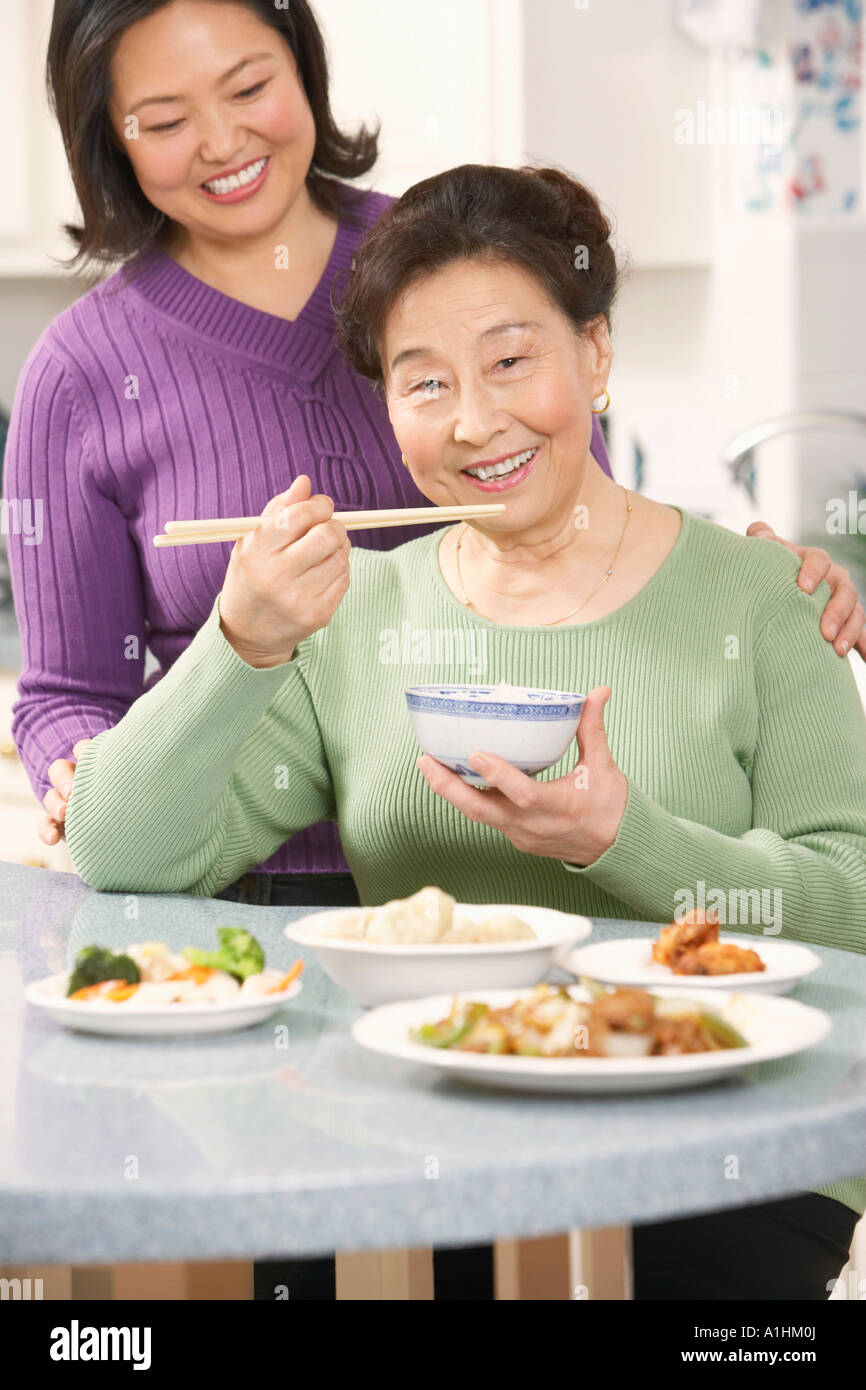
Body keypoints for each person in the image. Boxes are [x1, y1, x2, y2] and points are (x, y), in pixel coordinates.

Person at [62, 162, 866, 1299]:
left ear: (593, 354)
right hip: (423, 1137)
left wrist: (618, 836)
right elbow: (120, 846)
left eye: (509, 361)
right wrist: (238, 642)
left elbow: (855, 904)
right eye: (422, 381)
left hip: (720, 1147)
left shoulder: (760, 598)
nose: (473, 421)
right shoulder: (361, 616)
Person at [4, 0, 614, 913]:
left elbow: (599, 548)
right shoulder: (79, 373)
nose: (220, 141)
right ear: (111, 139)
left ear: (302, 70)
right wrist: (87, 779)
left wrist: (749, 581)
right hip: (228, 893)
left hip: (502, 871)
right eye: (166, 121)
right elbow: (66, 693)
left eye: (249, 87)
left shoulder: (450, 265)